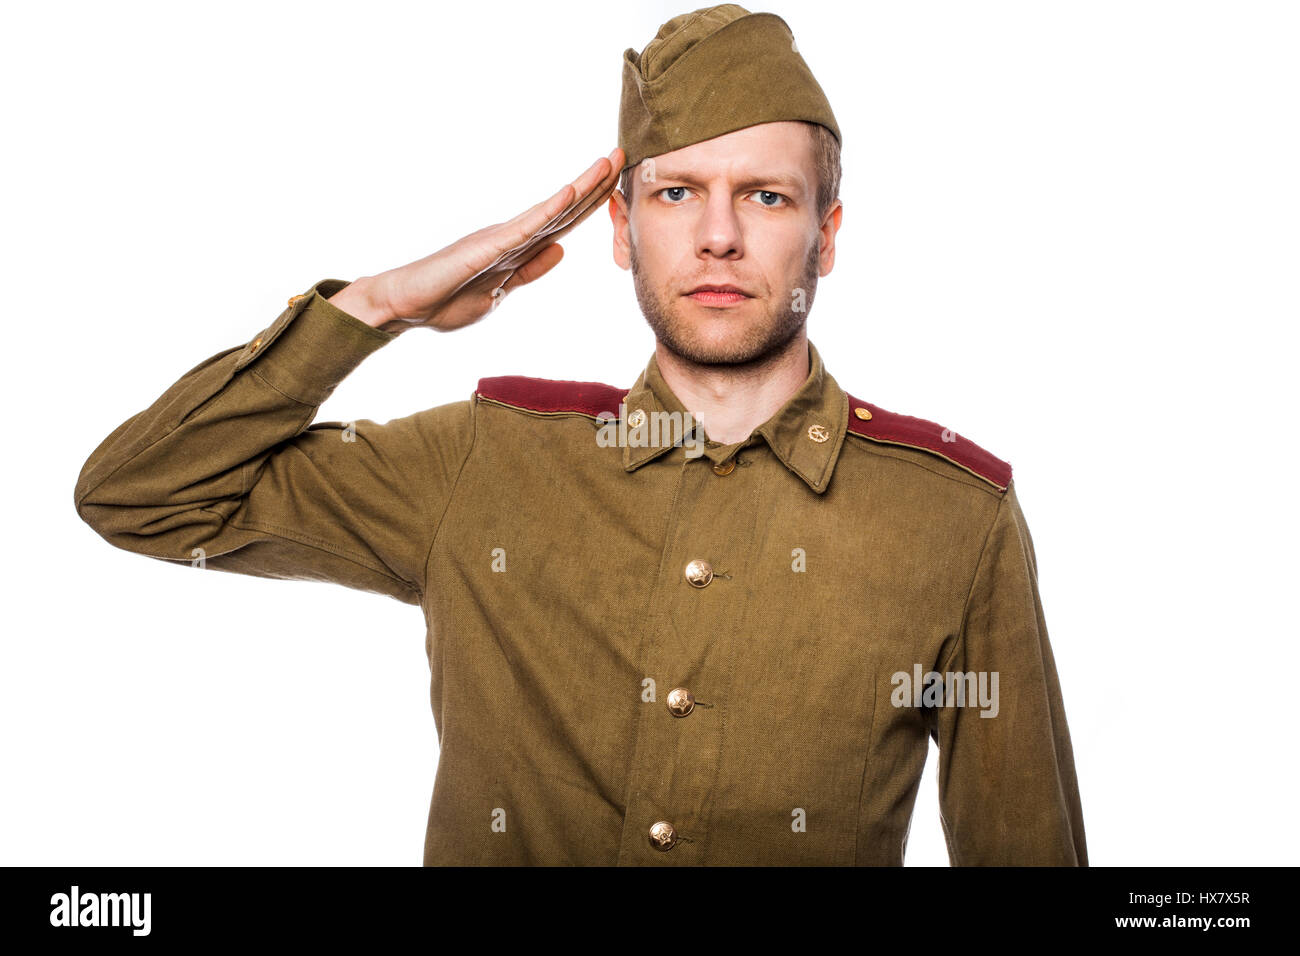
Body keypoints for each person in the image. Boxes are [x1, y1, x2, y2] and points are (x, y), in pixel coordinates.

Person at [74, 3, 1086, 865]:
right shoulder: (484, 461)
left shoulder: (954, 519)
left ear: (825, 234)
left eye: (765, 196)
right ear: (620, 228)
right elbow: (142, 495)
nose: (718, 236)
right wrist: (380, 306)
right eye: (676, 193)